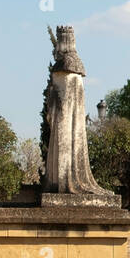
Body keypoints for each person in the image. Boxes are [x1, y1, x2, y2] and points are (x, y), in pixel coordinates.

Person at [44, 26, 112, 196]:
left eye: (59, 41)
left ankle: (64, 183)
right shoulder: (73, 66)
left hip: (65, 121)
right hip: (65, 120)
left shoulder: (67, 65)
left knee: (65, 147)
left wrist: (51, 108)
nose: (56, 47)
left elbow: (60, 100)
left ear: (64, 42)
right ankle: (62, 182)